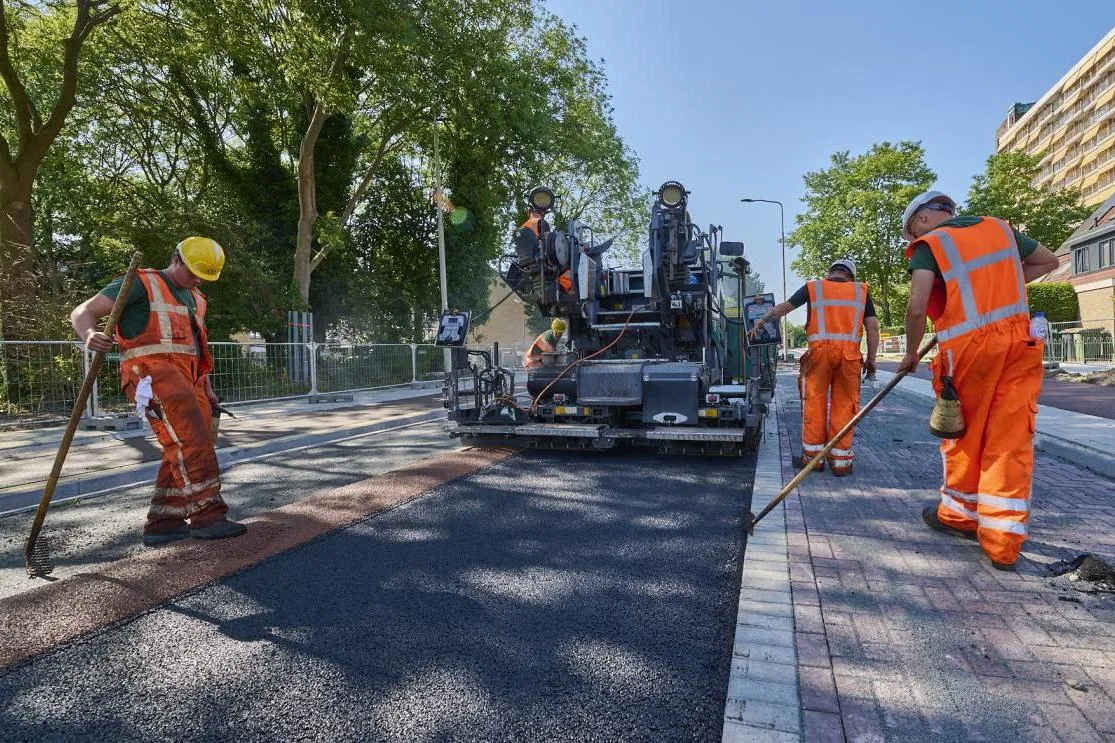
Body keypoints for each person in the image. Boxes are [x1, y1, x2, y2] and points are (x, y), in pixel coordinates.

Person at [898, 190, 1059, 571]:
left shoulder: (930, 244)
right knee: (1011, 438)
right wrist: (999, 286)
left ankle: (959, 517)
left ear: (920, 221)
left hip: (969, 350)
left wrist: (909, 353)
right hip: (1021, 342)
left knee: (964, 434)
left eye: (910, 233)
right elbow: (1049, 261)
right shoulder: (999, 230)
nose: (912, 241)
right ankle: (1003, 543)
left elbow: (917, 304)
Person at [70, 238, 247, 547]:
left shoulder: (197, 299)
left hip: (189, 377)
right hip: (151, 374)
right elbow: (83, 311)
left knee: (188, 441)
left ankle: (164, 521)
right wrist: (89, 334)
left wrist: (207, 385)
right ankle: (208, 515)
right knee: (190, 437)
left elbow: (195, 348)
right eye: (193, 273)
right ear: (176, 259)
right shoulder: (140, 284)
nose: (197, 280)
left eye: (203, 277)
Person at [750, 259, 880, 476]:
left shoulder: (814, 287)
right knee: (845, 406)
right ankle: (840, 463)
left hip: (819, 354)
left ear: (830, 272)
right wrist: (872, 359)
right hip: (849, 357)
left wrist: (761, 320)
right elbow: (873, 327)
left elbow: (783, 308)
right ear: (851, 276)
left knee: (815, 403)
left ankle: (813, 459)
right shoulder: (861, 291)